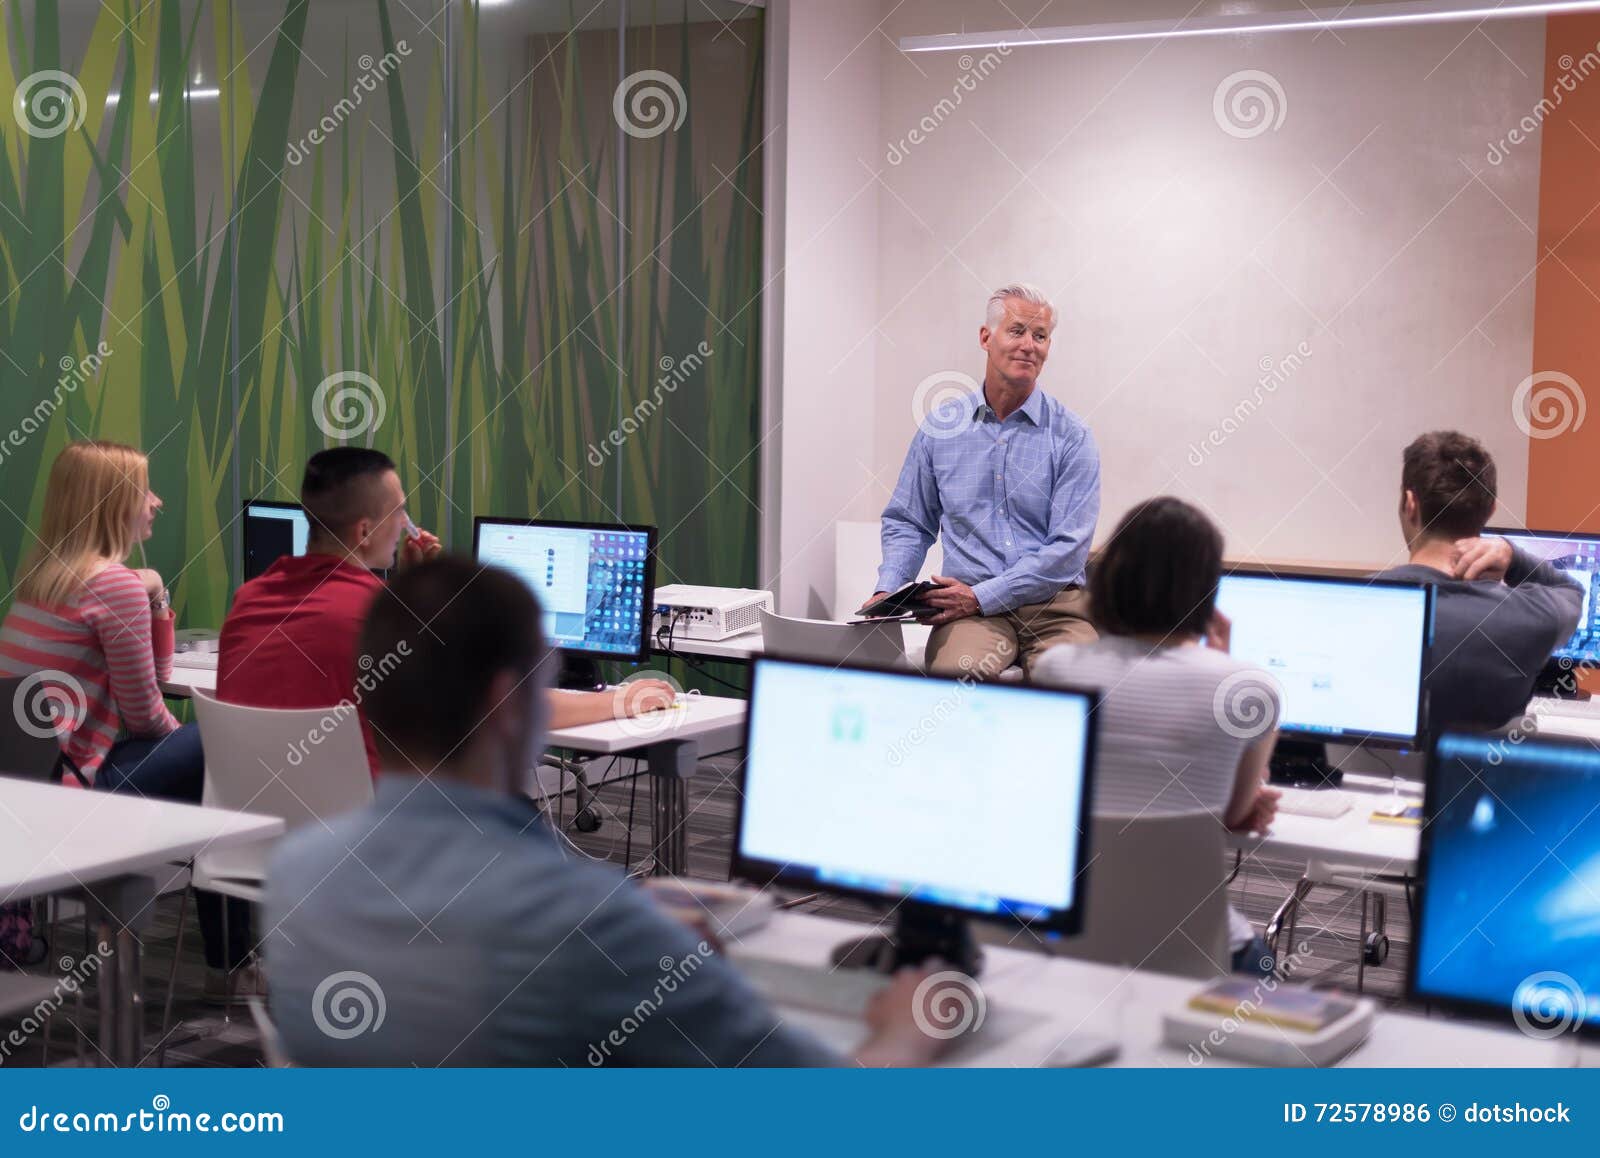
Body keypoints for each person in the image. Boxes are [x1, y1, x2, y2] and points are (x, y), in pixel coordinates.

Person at [263, 556, 948, 1066]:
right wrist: (903, 1032)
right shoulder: (584, 920)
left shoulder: (295, 876)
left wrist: (647, 952)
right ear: (511, 702)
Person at [218, 448, 674, 781]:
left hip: (256, 838)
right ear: (363, 530)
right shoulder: (379, 618)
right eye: (399, 511)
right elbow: (505, 707)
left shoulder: (250, 600)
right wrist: (621, 700)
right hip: (373, 840)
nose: (407, 524)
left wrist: (409, 596)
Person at [0, 440, 249, 986]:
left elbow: (147, 695)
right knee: (224, 746)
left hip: (26, 789)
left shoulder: (40, 577)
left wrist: (154, 593)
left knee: (209, 769)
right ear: (113, 504)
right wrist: (185, 744)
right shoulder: (112, 584)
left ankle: (227, 965)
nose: (157, 501)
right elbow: (146, 717)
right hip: (71, 795)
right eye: (144, 491)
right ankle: (230, 964)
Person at [1034, 497, 1281, 976]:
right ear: (1207, 590)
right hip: (1199, 954)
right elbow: (1233, 813)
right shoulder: (1247, 690)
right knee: (1268, 967)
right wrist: (1225, 662)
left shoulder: (1056, 668)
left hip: (1068, 940)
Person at [865, 283, 1101, 680]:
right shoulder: (940, 430)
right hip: (967, 616)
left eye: (1040, 336)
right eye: (1017, 331)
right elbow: (909, 522)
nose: (1030, 344)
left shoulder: (1072, 436)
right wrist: (888, 589)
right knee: (960, 677)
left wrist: (980, 597)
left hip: (1056, 609)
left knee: (1076, 682)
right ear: (985, 337)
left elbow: (1068, 549)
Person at [1376, 431, 1583, 733]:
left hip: (1360, 778)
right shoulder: (1530, 617)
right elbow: (1573, 592)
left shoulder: (1350, 606)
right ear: (1491, 509)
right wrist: (1513, 556)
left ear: (1410, 504)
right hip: (1480, 780)